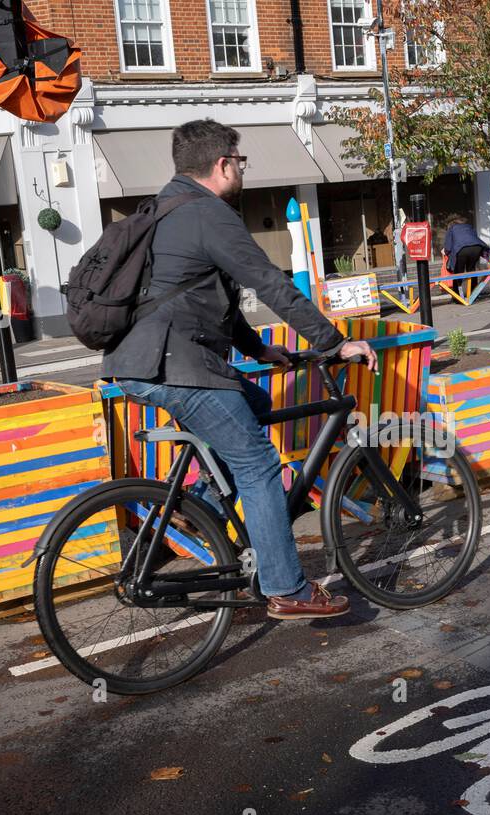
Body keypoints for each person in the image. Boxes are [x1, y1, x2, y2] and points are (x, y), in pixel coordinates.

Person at [103, 119, 378, 621]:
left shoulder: (165, 207)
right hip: (177, 365)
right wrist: (334, 343)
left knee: (255, 402)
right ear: (223, 164)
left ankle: (205, 509)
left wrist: (258, 349)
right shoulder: (209, 213)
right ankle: (288, 590)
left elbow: (203, 293)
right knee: (259, 466)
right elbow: (269, 283)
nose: (243, 169)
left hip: (143, 360)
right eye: (240, 160)